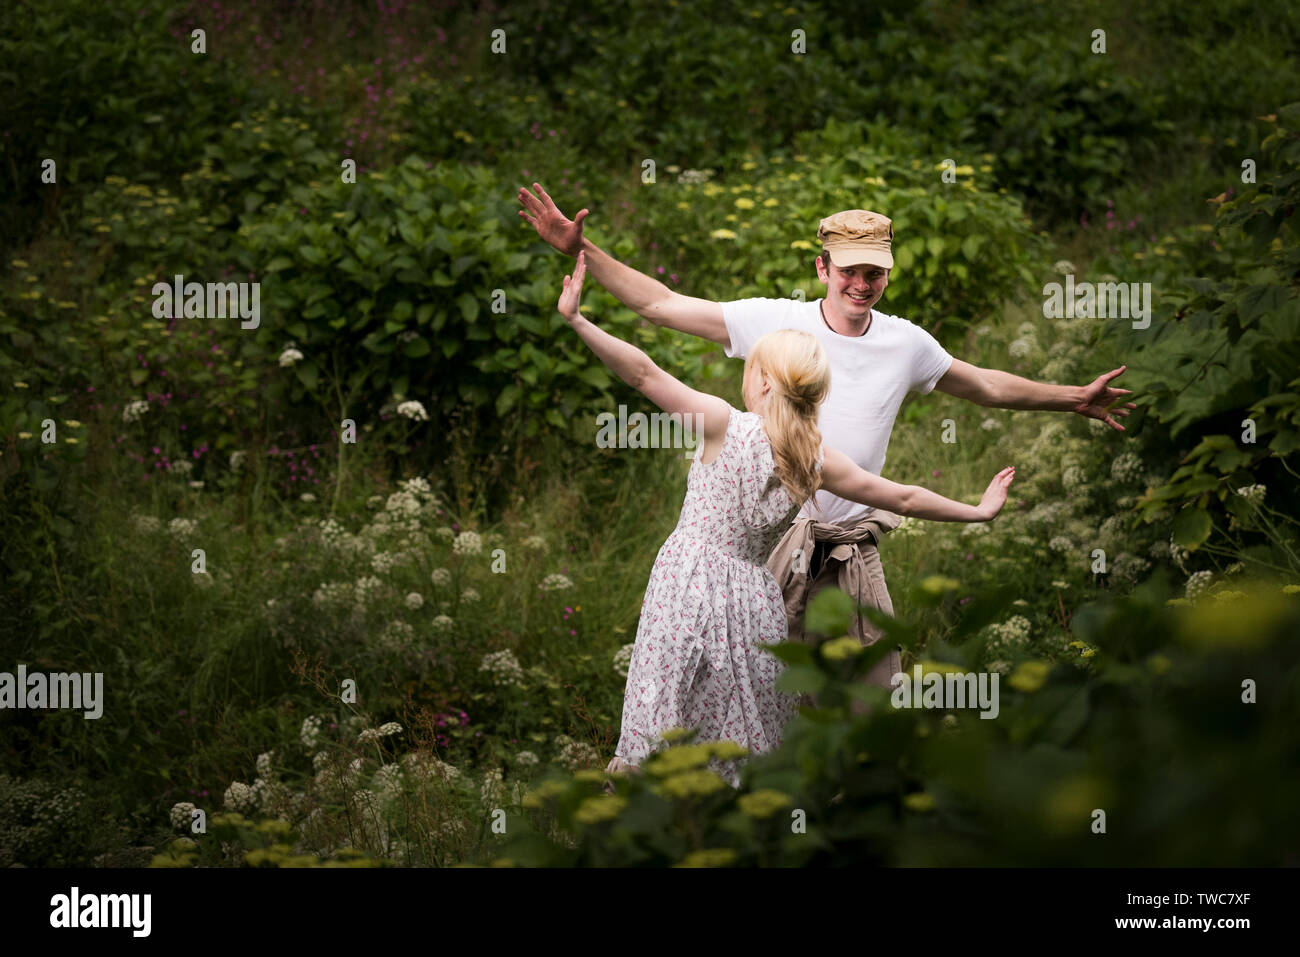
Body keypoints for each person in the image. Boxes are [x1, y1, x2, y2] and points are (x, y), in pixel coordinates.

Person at [520, 184, 1135, 695]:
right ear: (823, 269)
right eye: (850, 272)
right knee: (767, 695)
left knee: (867, 696)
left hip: (852, 547)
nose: (861, 285)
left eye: (875, 273)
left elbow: (987, 389)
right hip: (771, 544)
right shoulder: (775, 322)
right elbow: (659, 304)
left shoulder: (906, 343)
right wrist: (584, 253)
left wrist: (1072, 397)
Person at [555, 251, 1015, 789]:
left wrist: (578, 320)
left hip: (690, 582)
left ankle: (641, 812)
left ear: (765, 383)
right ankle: (731, 812)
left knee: (662, 709)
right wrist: (978, 511)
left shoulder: (722, 424)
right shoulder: (817, 460)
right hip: (755, 596)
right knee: (738, 722)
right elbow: (906, 498)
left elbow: (641, 372)